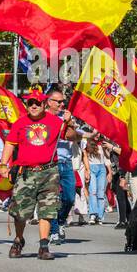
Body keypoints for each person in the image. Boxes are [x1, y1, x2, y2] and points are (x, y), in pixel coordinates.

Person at [1, 88, 64, 259]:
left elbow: (72, 136)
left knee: (47, 210)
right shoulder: (20, 123)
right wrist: (3, 164)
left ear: (44, 104)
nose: (34, 106)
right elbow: (10, 144)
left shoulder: (56, 122)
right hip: (26, 172)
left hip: (49, 172)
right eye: (31, 103)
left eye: (37, 103)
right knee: (20, 211)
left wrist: (70, 122)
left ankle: (44, 245)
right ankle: (19, 239)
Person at [46, 89, 83, 244]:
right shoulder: (43, 117)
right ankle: (54, 231)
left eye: (63, 102)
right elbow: (52, 134)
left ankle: (61, 221)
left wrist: (69, 123)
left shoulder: (66, 117)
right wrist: (65, 123)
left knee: (69, 197)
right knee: (52, 199)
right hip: (50, 162)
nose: (62, 104)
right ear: (49, 102)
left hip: (66, 162)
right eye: (58, 101)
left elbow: (72, 137)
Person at [82, 135, 109, 224]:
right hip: (91, 168)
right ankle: (93, 214)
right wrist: (87, 170)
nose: (97, 135)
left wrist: (110, 172)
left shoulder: (103, 143)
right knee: (92, 191)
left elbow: (107, 158)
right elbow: (84, 156)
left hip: (102, 169)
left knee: (101, 193)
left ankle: (100, 216)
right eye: (95, 133)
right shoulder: (86, 143)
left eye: (99, 133)